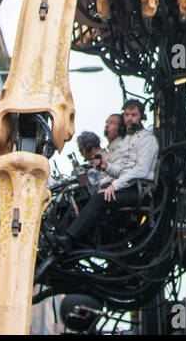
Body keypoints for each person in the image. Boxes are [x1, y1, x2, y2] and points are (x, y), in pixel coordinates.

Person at [61, 99, 158, 248]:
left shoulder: (147, 139)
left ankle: (68, 240)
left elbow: (141, 171)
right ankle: (64, 238)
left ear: (141, 117)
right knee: (84, 199)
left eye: (134, 114)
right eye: (126, 115)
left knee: (100, 198)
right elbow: (122, 170)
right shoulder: (128, 140)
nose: (130, 118)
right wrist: (106, 166)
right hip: (125, 187)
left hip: (139, 192)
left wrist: (114, 186)